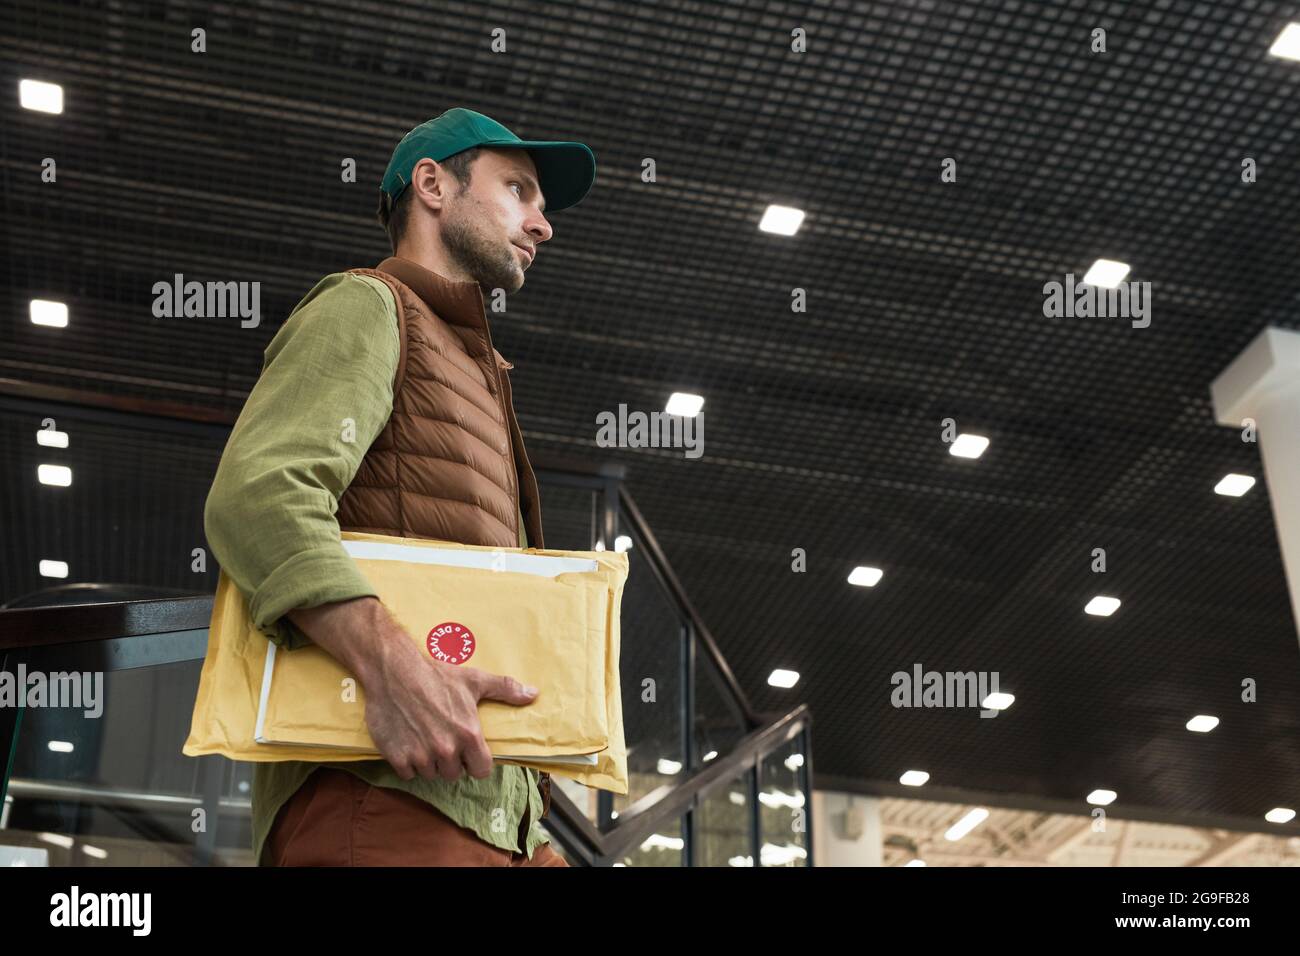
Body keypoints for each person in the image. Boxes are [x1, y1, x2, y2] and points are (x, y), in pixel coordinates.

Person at [203, 107, 596, 866]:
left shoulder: (478, 370)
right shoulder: (368, 305)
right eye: (518, 190)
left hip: (500, 818)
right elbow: (260, 495)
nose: (543, 225)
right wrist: (395, 671)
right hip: (383, 796)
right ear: (433, 186)